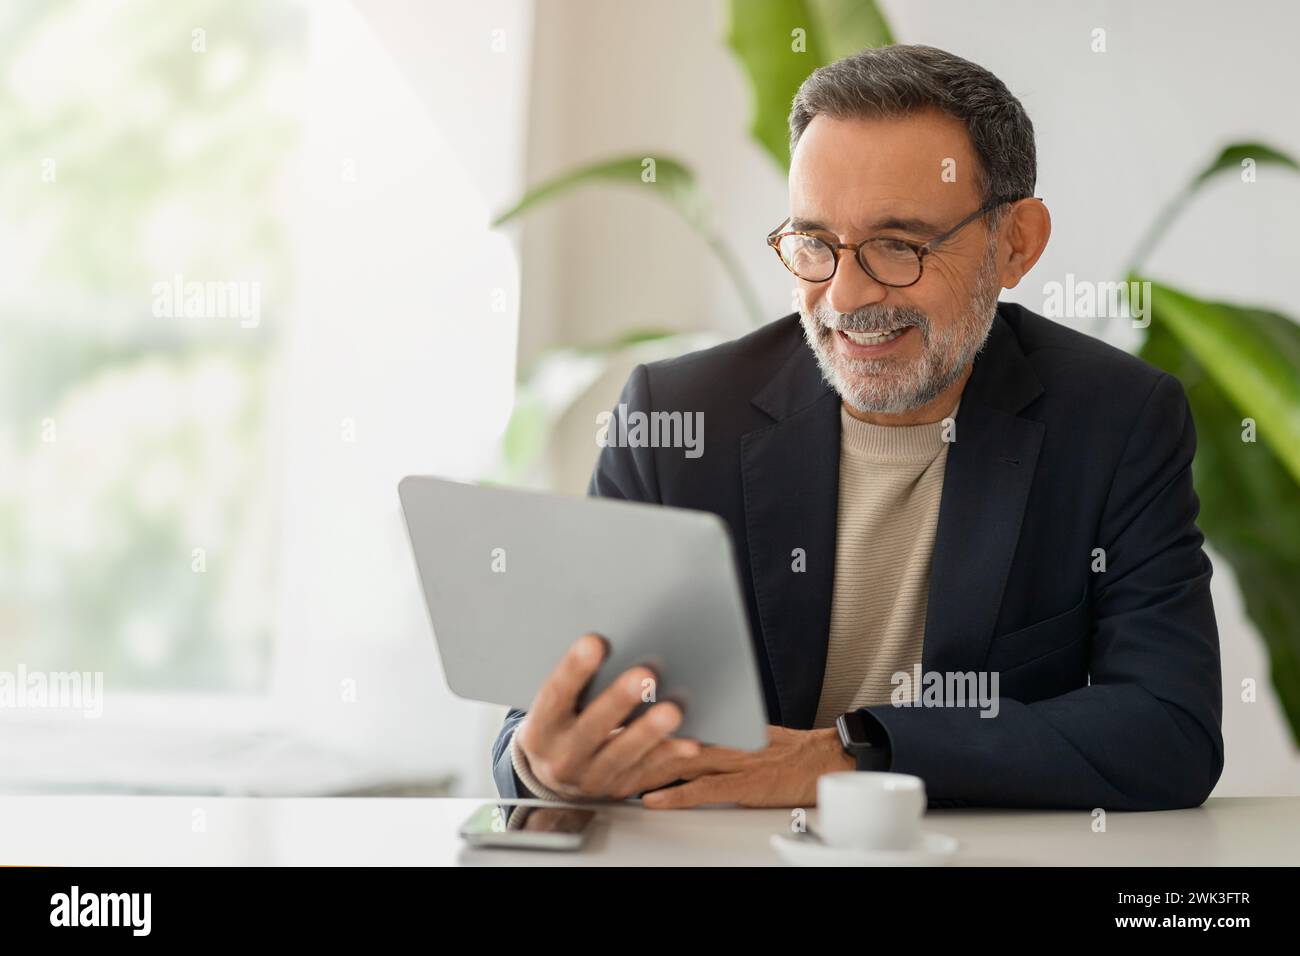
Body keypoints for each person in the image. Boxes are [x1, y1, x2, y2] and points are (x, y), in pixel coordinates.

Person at [491, 44, 1223, 811]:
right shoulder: (678, 420)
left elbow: (1167, 728)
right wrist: (545, 768)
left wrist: (847, 760)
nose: (843, 297)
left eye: (898, 246)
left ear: (1016, 244)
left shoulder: (1115, 421)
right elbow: (533, 728)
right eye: (814, 243)